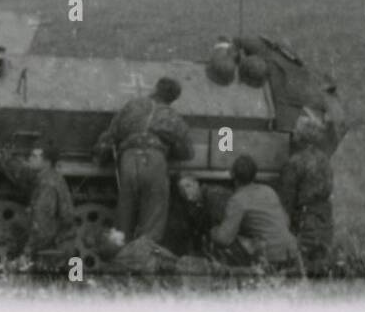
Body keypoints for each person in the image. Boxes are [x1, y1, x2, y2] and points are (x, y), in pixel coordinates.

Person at [93, 77, 193, 242]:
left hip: (128, 160)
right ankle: (143, 258)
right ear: (173, 99)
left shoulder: (132, 106)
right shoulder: (172, 116)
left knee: (124, 213)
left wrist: (99, 156)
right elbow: (187, 152)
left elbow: (110, 136)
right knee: (152, 219)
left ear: (155, 89)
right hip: (155, 161)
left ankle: (119, 253)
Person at [0, 140, 76, 270]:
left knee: (62, 284)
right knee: (76, 282)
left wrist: (26, 254)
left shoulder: (47, 186)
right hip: (65, 245)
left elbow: (42, 228)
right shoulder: (46, 175)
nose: (29, 158)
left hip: (58, 250)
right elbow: (19, 171)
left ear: (46, 162)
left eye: (35, 156)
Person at [211, 155, 298, 269]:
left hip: (270, 257)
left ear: (232, 174)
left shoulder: (237, 199)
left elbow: (224, 239)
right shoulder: (268, 190)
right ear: (255, 173)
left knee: (223, 247)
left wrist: (213, 231)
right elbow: (286, 222)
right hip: (291, 251)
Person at [279, 114, 336, 273]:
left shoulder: (295, 162)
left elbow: (287, 201)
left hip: (306, 219)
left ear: (301, 136)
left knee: (301, 266)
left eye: (296, 131)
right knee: (321, 261)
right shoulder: (324, 159)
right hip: (325, 216)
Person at [164, 175, 231, 256]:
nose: (186, 191)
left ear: (197, 184)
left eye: (188, 186)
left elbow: (224, 227)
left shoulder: (214, 195)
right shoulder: (197, 204)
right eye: (181, 189)